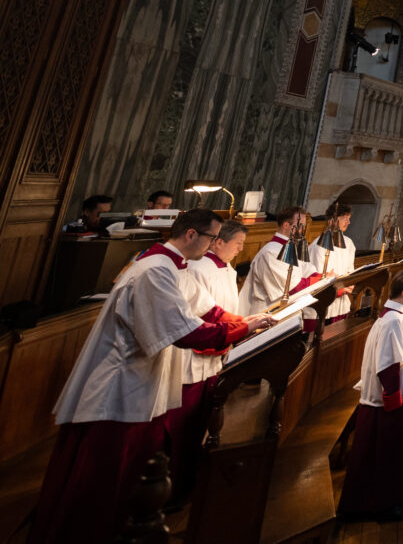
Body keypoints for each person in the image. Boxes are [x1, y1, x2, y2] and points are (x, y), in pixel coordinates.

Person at [31, 210, 274, 543]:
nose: (210, 246)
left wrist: (244, 322)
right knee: (103, 477)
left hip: (140, 382)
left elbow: (206, 310)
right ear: (191, 234)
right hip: (119, 388)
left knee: (132, 474)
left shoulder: (175, 267)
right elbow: (187, 332)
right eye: (208, 239)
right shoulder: (154, 270)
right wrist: (243, 328)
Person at [337, 270, 403, 523]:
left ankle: (376, 501)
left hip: (387, 399)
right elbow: (389, 364)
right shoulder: (393, 322)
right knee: (388, 454)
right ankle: (386, 504)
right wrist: (393, 400)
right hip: (388, 401)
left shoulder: (392, 317)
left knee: (380, 453)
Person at [170, 220, 250, 496]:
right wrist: (236, 328)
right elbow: (197, 314)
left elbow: (218, 310)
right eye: (237, 243)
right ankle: (176, 483)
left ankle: (192, 477)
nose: (241, 249)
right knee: (183, 426)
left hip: (216, 350)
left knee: (203, 421)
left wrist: (240, 324)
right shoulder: (195, 268)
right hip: (193, 358)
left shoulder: (226, 268)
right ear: (217, 242)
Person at [237, 207, 320, 313]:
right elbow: (291, 287)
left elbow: (308, 270)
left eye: (303, 226)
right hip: (266, 313)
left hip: (284, 311)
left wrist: (321, 277)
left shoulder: (292, 247)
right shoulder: (271, 252)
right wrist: (320, 281)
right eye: (300, 226)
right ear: (286, 225)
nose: (302, 231)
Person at [308, 201, 358, 323]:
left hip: (342, 304)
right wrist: (341, 288)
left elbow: (350, 269)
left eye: (349, 218)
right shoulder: (319, 245)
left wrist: (351, 282)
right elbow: (318, 277)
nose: (348, 222)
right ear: (331, 221)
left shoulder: (349, 243)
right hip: (324, 304)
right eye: (345, 218)